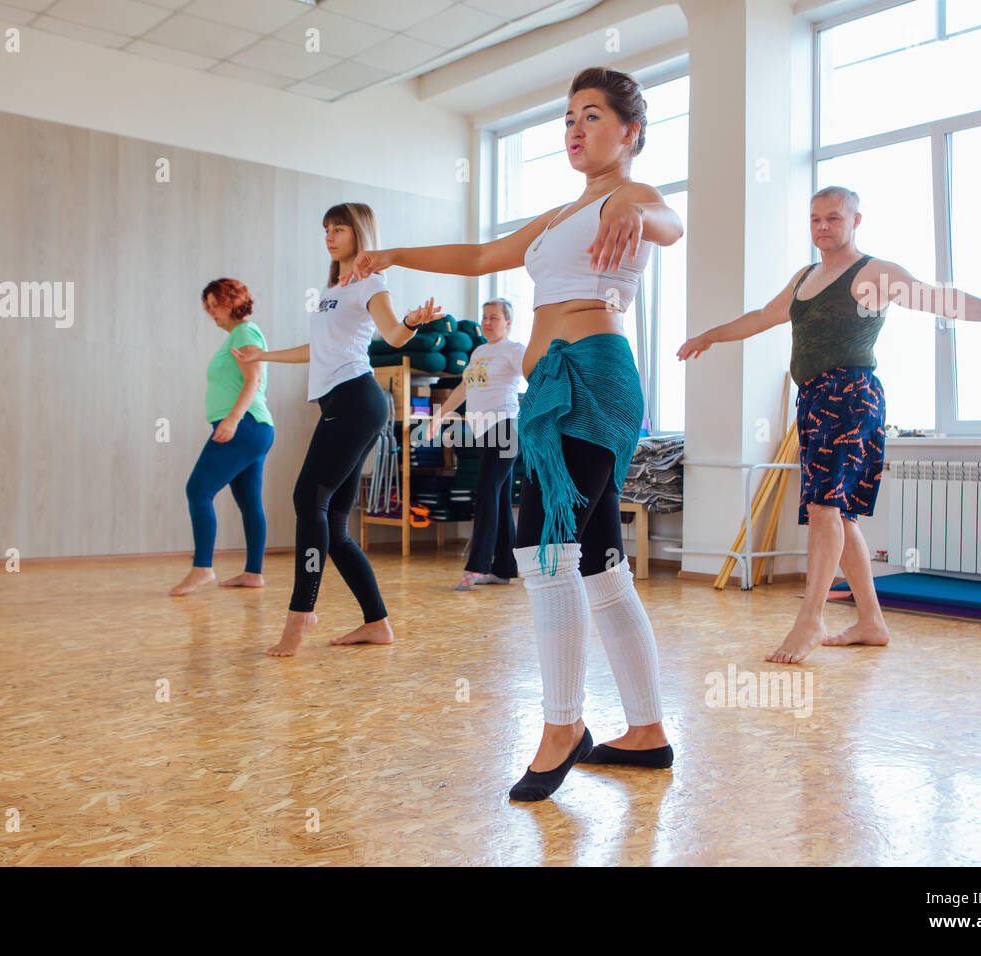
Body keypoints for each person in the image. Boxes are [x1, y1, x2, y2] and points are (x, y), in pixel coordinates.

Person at [344, 68, 684, 801]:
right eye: (568, 118)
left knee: (543, 549)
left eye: (592, 116)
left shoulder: (632, 198)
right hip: (549, 391)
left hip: (591, 381)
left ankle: (563, 726)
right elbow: (477, 257)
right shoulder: (559, 217)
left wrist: (634, 206)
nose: (575, 130)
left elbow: (669, 223)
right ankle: (647, 731)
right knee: (598, 564)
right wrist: (395, 254)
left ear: (629, 131)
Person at [678, 185, 981, 664]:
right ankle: (871, 621)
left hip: (851, 397)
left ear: (855, 221)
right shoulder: (804, 278)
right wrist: (710, 336)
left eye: (833, 218)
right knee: (838, 514)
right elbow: (763, 317)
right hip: (813, 401)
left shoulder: (874, 274)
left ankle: (810, 619)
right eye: (815, 219)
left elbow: (941, 299)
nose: (823, 227)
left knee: (825, 508)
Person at [231, 203, 442, 656]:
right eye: (326, 229)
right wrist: (263, 356)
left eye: (339, 228)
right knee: (336, 525)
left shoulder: (371, 282)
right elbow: (318, 347)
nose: (329, 236)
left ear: (359, 232)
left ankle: (301, 614)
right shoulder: (332, 290)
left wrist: (412, 321)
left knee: (308, 499)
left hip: (356, 399)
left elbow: (393, 335)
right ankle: (377, 623)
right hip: (341, 402)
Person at [170, 279, 274, 597]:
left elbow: (253, 379)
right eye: (208, 307)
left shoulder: (245, 332)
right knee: (249, 502)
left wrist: (232, 419)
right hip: (254, 428)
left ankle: (202, 567)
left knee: (198, 490)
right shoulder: (238, 335)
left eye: (215, 305)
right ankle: (253, 573)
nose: (211, 312)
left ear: (233, 300)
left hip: (245, 425)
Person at [428, 299, 526, 590]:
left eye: (494, 317)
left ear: (508, 322)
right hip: (484, 432)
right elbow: (464, 388)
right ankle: (503, 569)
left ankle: (477, 566)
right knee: (499, 497)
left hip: (506, 428)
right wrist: (438, 416)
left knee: (486, 492)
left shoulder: (514, 350)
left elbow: (536, 377)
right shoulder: (479, 352)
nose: (487, 322)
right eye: (484, 317)